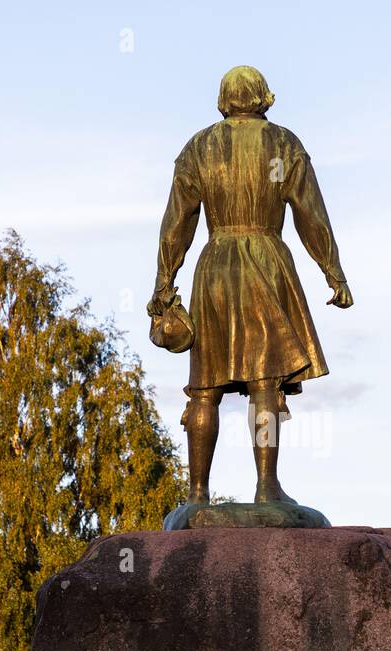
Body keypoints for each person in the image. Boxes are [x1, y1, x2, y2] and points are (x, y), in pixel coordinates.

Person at [148, 65, 353, 506]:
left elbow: (177, 222)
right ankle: (267, 487)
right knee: (265, 383)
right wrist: (332, 271)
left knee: (205, 386)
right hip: (266, 261)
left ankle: (197, 494)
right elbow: (310, 215)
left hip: (215, 266)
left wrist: (164, 280)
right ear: (264, 97)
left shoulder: (199, 148)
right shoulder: (284, 144)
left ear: (223, 99)